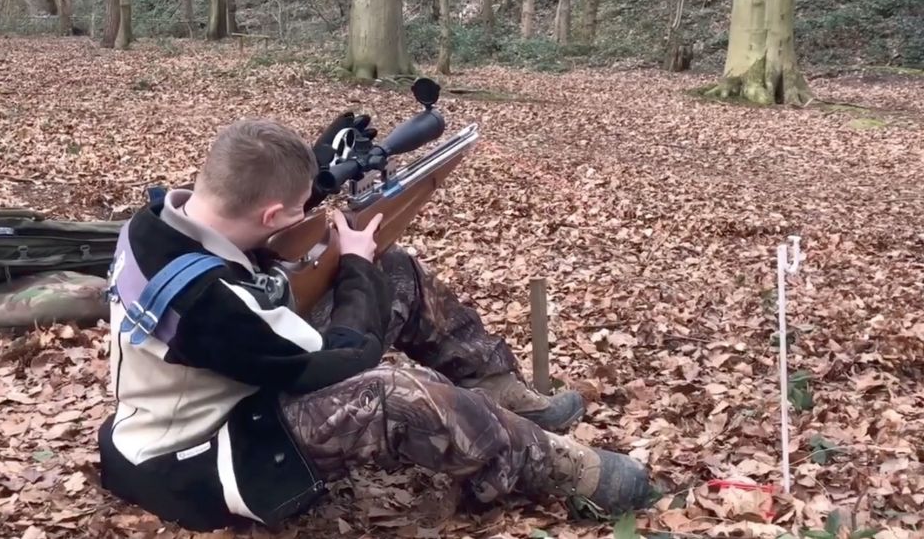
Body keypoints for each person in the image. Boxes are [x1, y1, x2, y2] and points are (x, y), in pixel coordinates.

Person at [97, 118, 653, 532]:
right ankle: (566, 470)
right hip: (192, 464)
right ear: (269, 215)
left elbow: (263, 210)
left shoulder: (161, 220)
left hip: (218, 387)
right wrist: (354, 266)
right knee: (393, 395)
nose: (305, 215)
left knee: (393, 269)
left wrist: (320, 184)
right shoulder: (209, 304)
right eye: (295, 211)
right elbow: (346, 358)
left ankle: (502, 393)